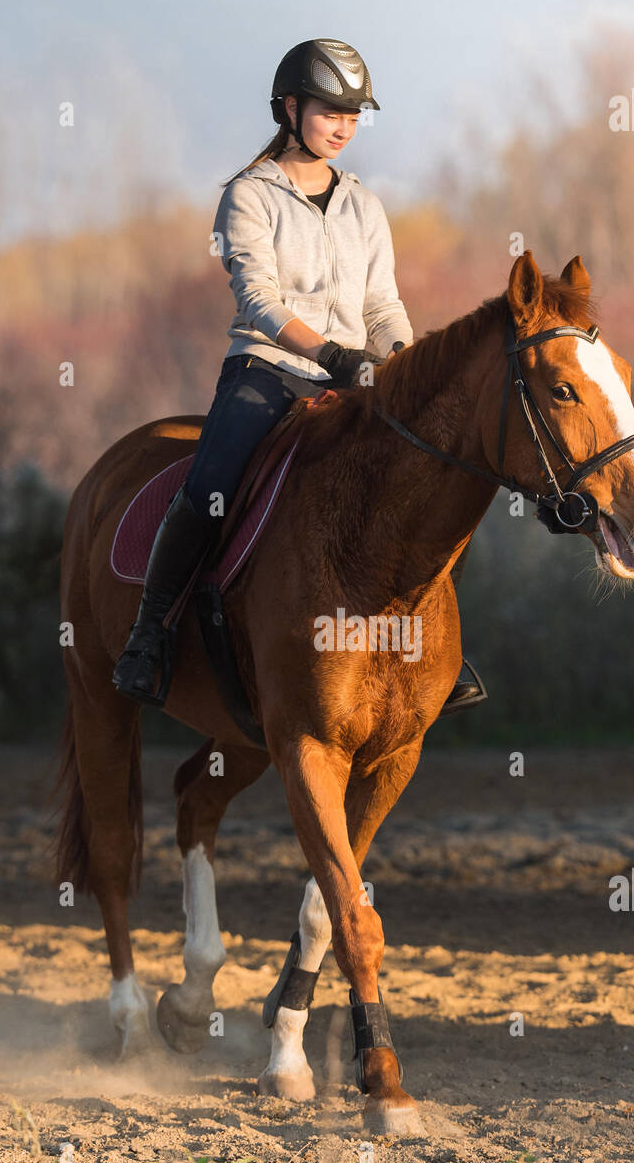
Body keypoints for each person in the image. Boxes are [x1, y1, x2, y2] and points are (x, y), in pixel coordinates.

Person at [112, 37, 486, 714]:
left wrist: (399, 365)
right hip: (270, 370)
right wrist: (332, 356)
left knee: (433, 477)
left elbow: (381, 305)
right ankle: (150, 635)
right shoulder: (248, 197)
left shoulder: (366, 206)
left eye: (353, 114)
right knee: (212, 484)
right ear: (289, 108)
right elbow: (259, 299)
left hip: (355, 380)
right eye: (329, 111)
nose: (342, 126)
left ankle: (435, 645)